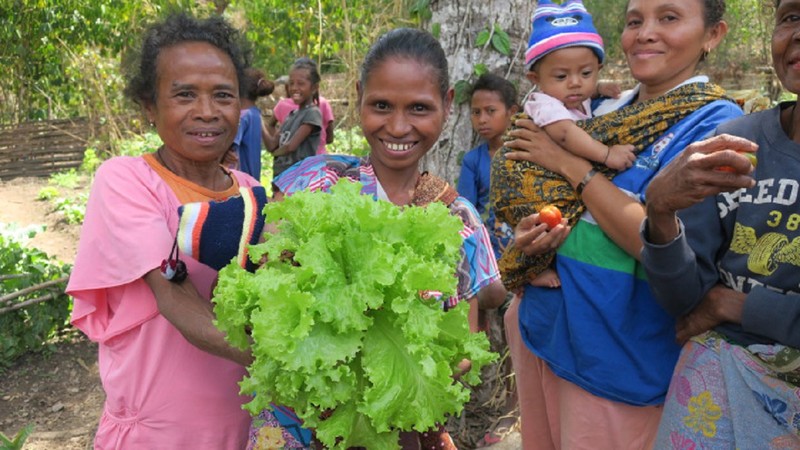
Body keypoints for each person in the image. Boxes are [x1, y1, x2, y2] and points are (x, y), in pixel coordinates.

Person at [492, 0, 743, 448]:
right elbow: (545, 193)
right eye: (634, 21)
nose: (645, 32)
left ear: (713, 34)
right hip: (547, 329)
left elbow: (663, 251)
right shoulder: (600, 108)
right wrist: (531, 232)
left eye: (668, 18)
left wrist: (572, 166)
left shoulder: (714, 122)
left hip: (619, 358)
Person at [246, 27, 504, 450]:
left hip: (396, 428)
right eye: (381, 105)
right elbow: (269, 305)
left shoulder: (457, 217)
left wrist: (392, 377)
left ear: (449, 103)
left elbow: (462, 347)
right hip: (297, 424)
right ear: (359, 93)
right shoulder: (313, 184)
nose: (399, 126)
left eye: (419, 108)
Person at [65, 12, 258, 449]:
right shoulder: (126, 181)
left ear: (240, 107)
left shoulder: (253, 194)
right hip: (159, 435)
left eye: (223, 95)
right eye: (185, 94)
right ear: (150, 107)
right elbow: (176, 293)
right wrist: (290, 361)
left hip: (246, 433)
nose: (207, 112)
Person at [641, 0, 800, 446]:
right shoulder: (737, 143)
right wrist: (660, 211)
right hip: (717, 381)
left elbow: (712, 305)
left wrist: (734, 306)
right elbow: (685, 298)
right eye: (790, 16)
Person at [494, 0, 636, 290]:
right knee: (544, 224)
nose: (575, 84)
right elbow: (566, 136)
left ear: (598, 67)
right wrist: (607, 154)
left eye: (586, 74)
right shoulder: (545, 104)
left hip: (558, 178)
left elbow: (580, 94)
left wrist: (599, 89)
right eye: (561, 76)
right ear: (536, 79)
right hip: (529, 182)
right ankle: (531, 271)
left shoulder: (567, 95)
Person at [458, 73, 519, 259]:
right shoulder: (473, 161)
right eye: (476, 112)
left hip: (529, 247)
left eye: (490, 111)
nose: (482, 119)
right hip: (488, 255)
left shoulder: (530, 154)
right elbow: (466, 216)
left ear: (512, 112)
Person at [263, 57, 323, 179]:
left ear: (314, 88)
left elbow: (291, 146)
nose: (294, 88)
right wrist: (259, 121)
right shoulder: (291, 115)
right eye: (291, 83)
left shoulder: (312, 113)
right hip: (281, 176)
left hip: (299, 179)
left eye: (300, 84)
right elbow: (272, 144)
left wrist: (275, 153)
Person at [229, 67, 274, 182]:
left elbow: (230, 148)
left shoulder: (242, 117)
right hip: (252, 179)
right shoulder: (255, 113)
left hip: (239, 180)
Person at [272, 75, 335, 155]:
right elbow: (329, 139)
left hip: (289, 161)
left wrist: (278, 146)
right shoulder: (322, 103)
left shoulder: (282, 105)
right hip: (318, 159)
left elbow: (290, 146)